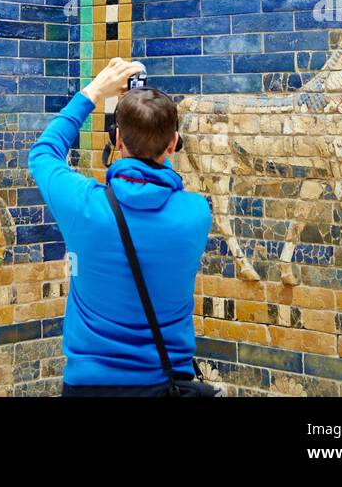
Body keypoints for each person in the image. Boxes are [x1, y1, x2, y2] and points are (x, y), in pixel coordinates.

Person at [28, 56, 211, 397]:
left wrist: (95, 90)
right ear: (173, 143)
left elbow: (42, 154)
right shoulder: (196, 213)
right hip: (166, 385)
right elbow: (165, 186)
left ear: (116, 140)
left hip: (90, 386)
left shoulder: (84, 206)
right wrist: (156, 134)